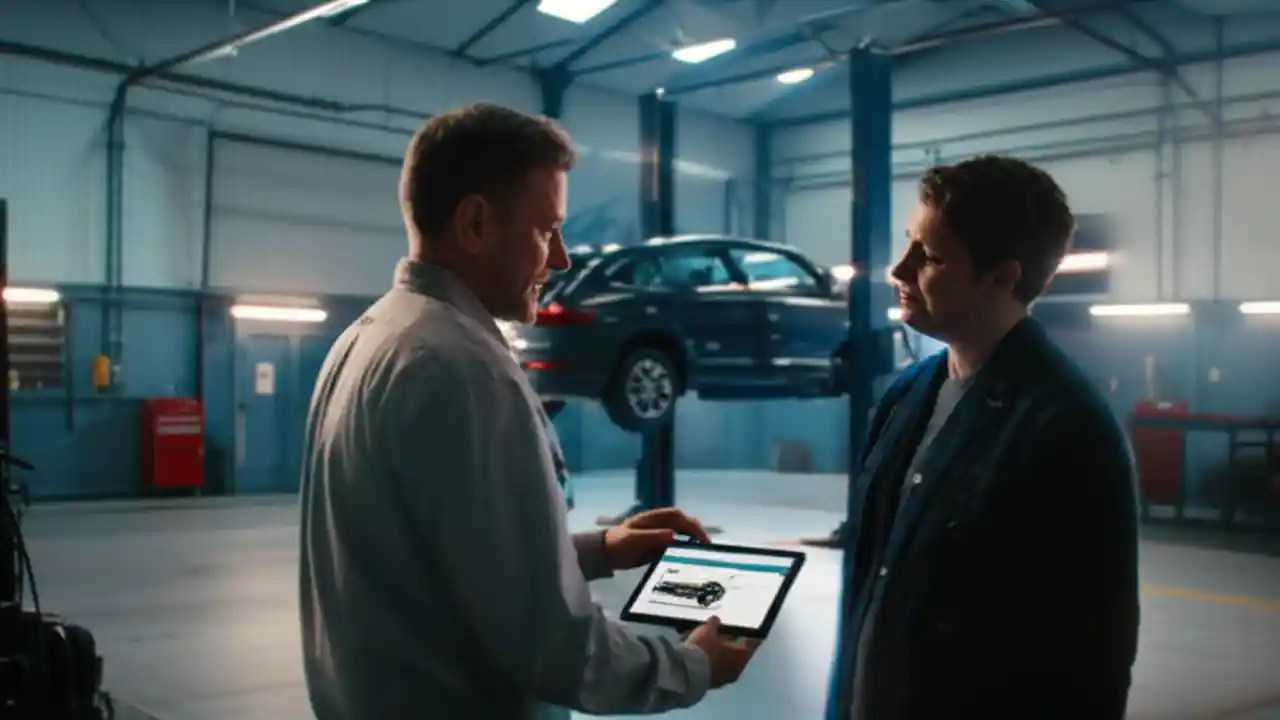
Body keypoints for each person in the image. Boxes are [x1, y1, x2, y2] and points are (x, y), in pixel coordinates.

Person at [298, 103, 759, 719]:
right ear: (475, 224)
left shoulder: (368, 337)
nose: (561, 258)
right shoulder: (465, 371)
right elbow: (553, 646)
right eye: (548, 230)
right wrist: (691, 664)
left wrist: (600, 550)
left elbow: (454, 556)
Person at [825, 155, 1140, 719]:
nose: (899, 269)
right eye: (908, 245)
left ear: (1001, 278)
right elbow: (868, 595)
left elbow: (1094, 654)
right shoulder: (904, 397)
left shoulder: (1066, 426)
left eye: (930, 257)